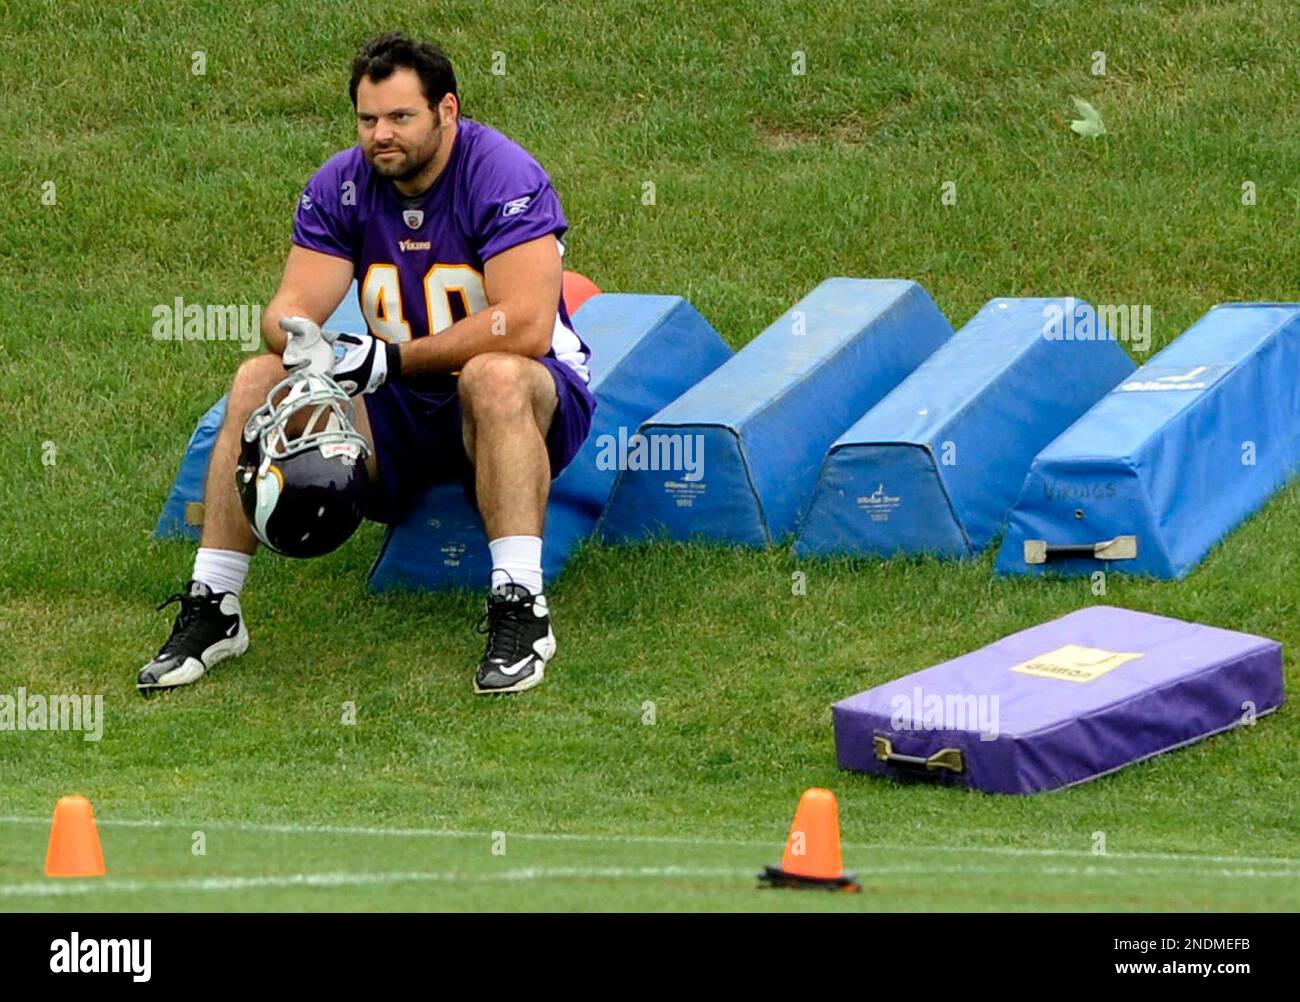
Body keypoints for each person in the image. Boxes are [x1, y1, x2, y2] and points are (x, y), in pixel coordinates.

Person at [138, 32, 594, 696]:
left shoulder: (503, 174)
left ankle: (522, 609)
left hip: (524, 395)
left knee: (490, 374)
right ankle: (215, 606)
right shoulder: (342, 183)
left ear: (446, 112)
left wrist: (395, 357)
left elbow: (522, 325)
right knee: (257, 376)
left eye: (400, 117)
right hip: (398, 402)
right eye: (368, 119)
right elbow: (288, 307)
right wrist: (301, 342)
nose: (382, 135)